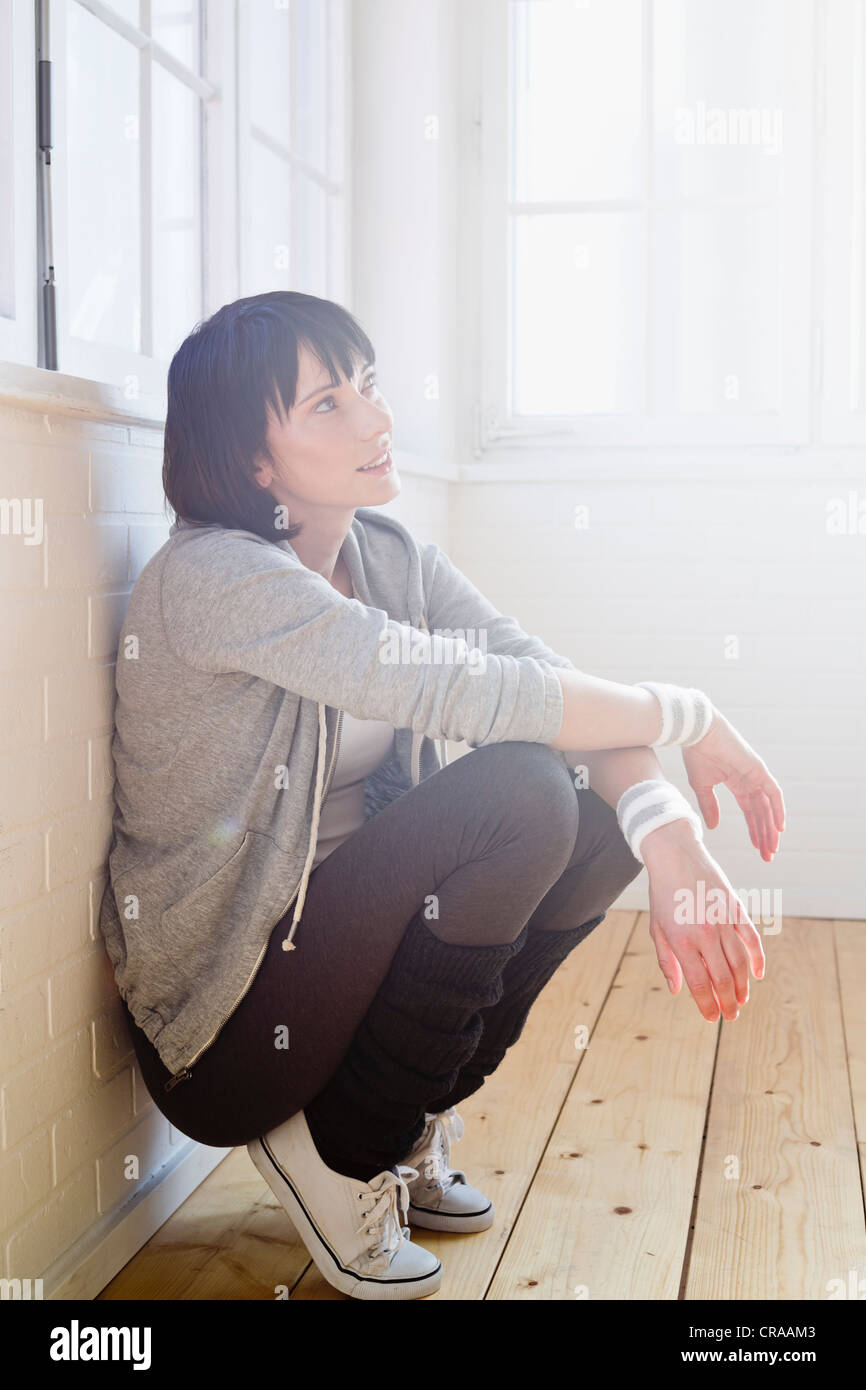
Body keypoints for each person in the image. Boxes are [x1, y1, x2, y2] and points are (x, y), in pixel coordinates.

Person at [98, 290, 786, 1302]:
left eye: (366, 387)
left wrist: (666, 830)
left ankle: (400, 1112)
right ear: (252, 461)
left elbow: (542, 681)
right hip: (231, 1030)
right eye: (326, 404)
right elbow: (469, 692)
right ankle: (338, 1145)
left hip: (346, 963)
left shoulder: (388, 557)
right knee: (518, 790)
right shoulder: (214, 577)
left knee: (584, 808)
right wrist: (691, 713)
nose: (376, 419)